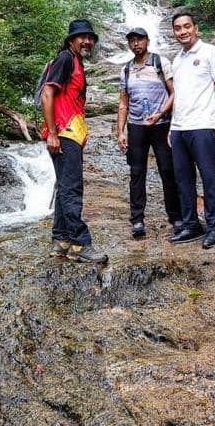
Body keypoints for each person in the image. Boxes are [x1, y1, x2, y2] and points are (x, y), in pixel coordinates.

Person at [41, 19, 108, 264]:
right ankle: (81, 243)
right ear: (71, 40)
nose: (87, 41)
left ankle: (61, 241)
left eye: (91, 38)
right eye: (82, 37)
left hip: (71, 133)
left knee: (64, 188)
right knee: (72, 189)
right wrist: (52, 133)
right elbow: (48, 93)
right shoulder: (66, 59)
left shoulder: (76, 62)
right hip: (64, 132)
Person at [168, 12, 215, 248]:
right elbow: (179, 95)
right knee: (183, 179)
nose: (182, 31)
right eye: (178, 28)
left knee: (209, 177)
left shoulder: (210, 52)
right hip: (180, 128)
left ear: (196, 28)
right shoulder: (177, 59)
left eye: (186, 27)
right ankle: (191, 223)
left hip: (203, 125)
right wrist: (172, 126)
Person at [116, 27, 180, 239]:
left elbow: (174, 94)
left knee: (168, 170)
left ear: (147, 41)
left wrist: (161, 113)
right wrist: (121, 131)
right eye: (132, 40)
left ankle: (175, 217)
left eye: (139, 40)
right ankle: (137, 220)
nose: (136, 44)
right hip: (136, 126)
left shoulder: (161, 63)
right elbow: (123, 103)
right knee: (136, 172)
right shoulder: (126, 70)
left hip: (161, 124)